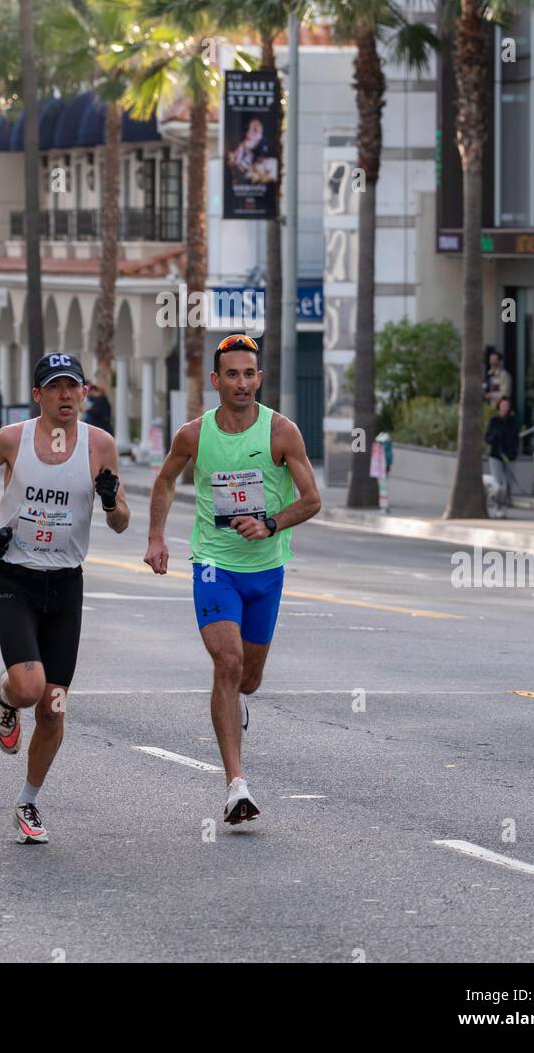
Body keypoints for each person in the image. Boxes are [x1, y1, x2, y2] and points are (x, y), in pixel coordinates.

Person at [144, 333, 321, 826]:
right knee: (228, 661)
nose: (243, 383)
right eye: (233, 375)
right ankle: (235, 784)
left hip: (265, 569)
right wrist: (157, 537)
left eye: (250, 374)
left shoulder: (281, 432)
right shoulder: (194, 436)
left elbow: (312, 499)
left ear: (259, 379)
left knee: (250, 677)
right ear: (216, 380)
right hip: (212, 565)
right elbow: (164, 480)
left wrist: (271, 522)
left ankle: (239, 700)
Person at [0, 352, 129, 845]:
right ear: (38, 396)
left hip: (66, 584)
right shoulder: (13, 439)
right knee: (31, 689)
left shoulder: (100, 445)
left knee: (53, 706)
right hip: (17, 578)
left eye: (73, 386)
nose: (66, 395)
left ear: (85, 393)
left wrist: (113, 499)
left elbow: (120, 522)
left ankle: (28, 802)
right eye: (55, 387)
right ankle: (8, 693)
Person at [485, 396, 519, 507]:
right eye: (503, 405)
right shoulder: (493, 421)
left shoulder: (512, 421)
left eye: (507, 406)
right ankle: (497, 502)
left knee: (509, 481)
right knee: (497, 481)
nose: (505, 408)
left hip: (510, 455)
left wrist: (514, 451)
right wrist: (495, 437)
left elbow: (515, 438)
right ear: (499, 406)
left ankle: (507, 499)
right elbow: (487, 438)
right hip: (496, 455)